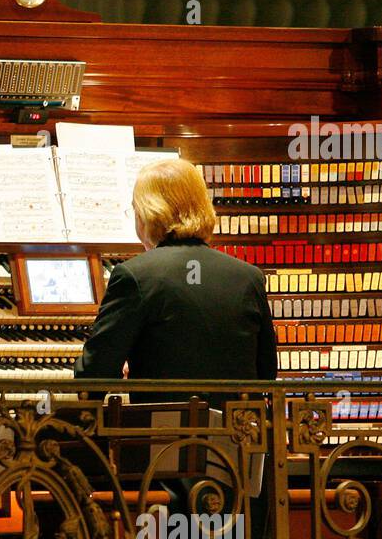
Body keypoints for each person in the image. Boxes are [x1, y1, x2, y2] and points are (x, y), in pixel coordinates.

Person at [75, 158, 276, 405]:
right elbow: (267, 371)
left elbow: (94, 376)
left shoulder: (134, 276)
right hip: (239, 437)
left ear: (147, 213)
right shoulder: (249, 277)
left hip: (164, 436)